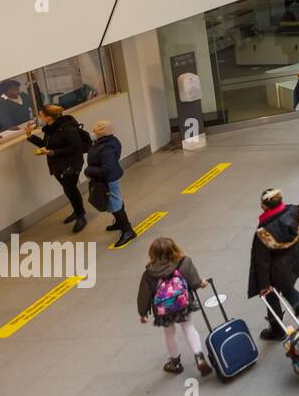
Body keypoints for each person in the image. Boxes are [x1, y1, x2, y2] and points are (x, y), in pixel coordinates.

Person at [137, 237, 212, 376]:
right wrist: (202, 283)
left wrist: (143, 313)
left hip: (163, 310)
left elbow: (144, 295)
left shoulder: (148, 273)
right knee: (188, 327)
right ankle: (199, 357)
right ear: (174, 249)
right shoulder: (184, 262)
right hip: (183, 304)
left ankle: (175, 363)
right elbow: (194, 282)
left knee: (169, 333)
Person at [248, 189, 299, 341]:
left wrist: (264, 284)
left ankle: (280, 328)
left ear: (264, 206)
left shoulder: (264, 230)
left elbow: (262, 260)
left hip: (279, 268)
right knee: (288, 288)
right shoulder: (293, 212)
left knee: (279, 292)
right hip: (297, 258)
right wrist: (296, 246)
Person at [23, 104, 88, 232]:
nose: (39, 117)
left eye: (41, 115)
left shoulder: (67, 128)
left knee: (71, 189)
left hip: (71, 164)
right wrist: (30, 136)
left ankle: (81, 215)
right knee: (68, 189)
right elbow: (46, 145)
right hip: (57, 165)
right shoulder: (50, 129)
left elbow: (75, 147)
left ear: (48, 117)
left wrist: (53, 153)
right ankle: (77, 210)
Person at [84, 120, 136, 248]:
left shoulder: (106, 148)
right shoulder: (106, 142)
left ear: (100, 133)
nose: (93, 134)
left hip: (109, 179)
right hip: (107, 178)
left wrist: (89, 170)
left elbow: (108, 169)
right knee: (114, 201)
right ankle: (119, 222)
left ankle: (127, 230)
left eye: (95, 132)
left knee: (114, 203)